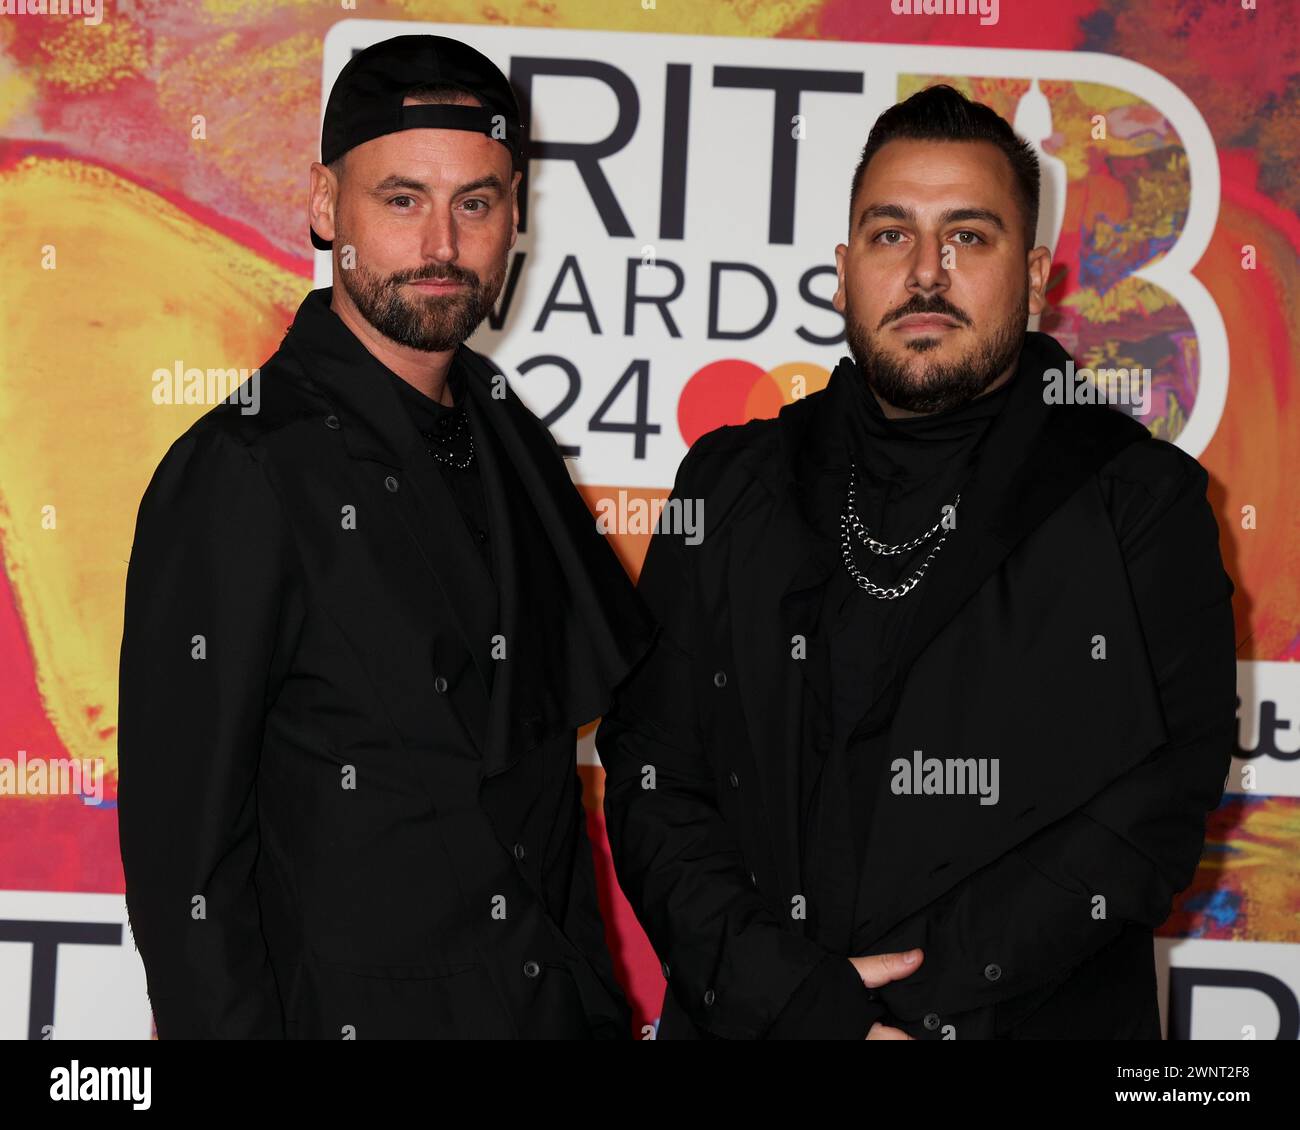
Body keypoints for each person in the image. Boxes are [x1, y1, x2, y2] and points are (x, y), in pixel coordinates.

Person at [596, 84, 1235, 1040]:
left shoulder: (1139, 502)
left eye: (969, 236)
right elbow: (653, 778)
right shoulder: (731, 482)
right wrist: (798, 1003)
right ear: (844, 270)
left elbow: (1147, 817)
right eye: (892, 235)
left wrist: (899, 1012)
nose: (926, 271)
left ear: (1034, 275)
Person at [118, 33, 654, 1039]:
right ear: (327, 208)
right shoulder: (242, 469)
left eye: (477, 201)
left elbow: (541, 797)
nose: (442, 243)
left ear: (514, 216)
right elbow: (186, 869)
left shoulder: (510, 436)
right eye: (402, 199)